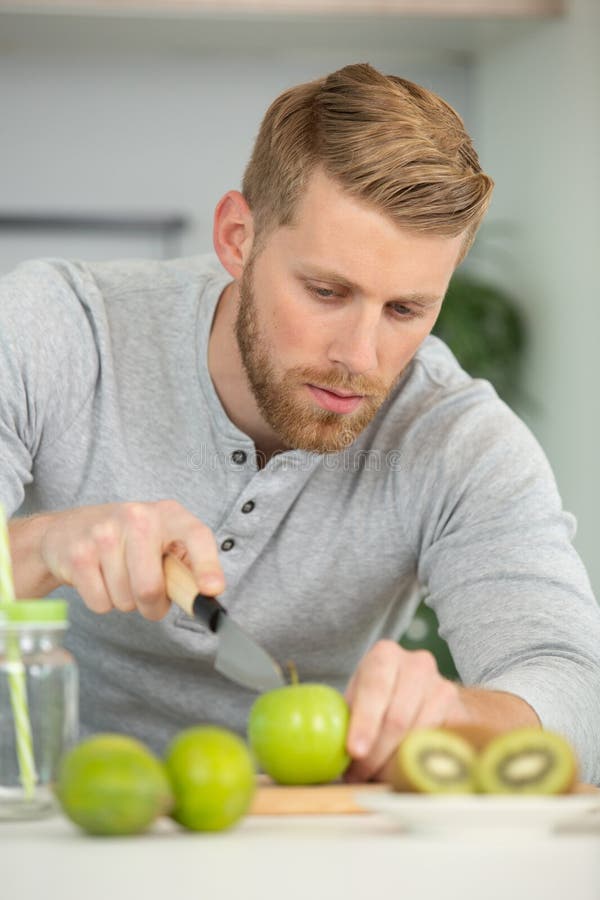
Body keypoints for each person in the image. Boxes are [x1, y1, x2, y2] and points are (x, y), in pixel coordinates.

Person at [2, 63, 600, 785]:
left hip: (311, 848)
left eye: (405, 310)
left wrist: (459, 716)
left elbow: (574, 686)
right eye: (325, 291)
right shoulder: (54, 330)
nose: (360, 356)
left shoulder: (456, 440)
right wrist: (39, 547)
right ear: (237, 237)